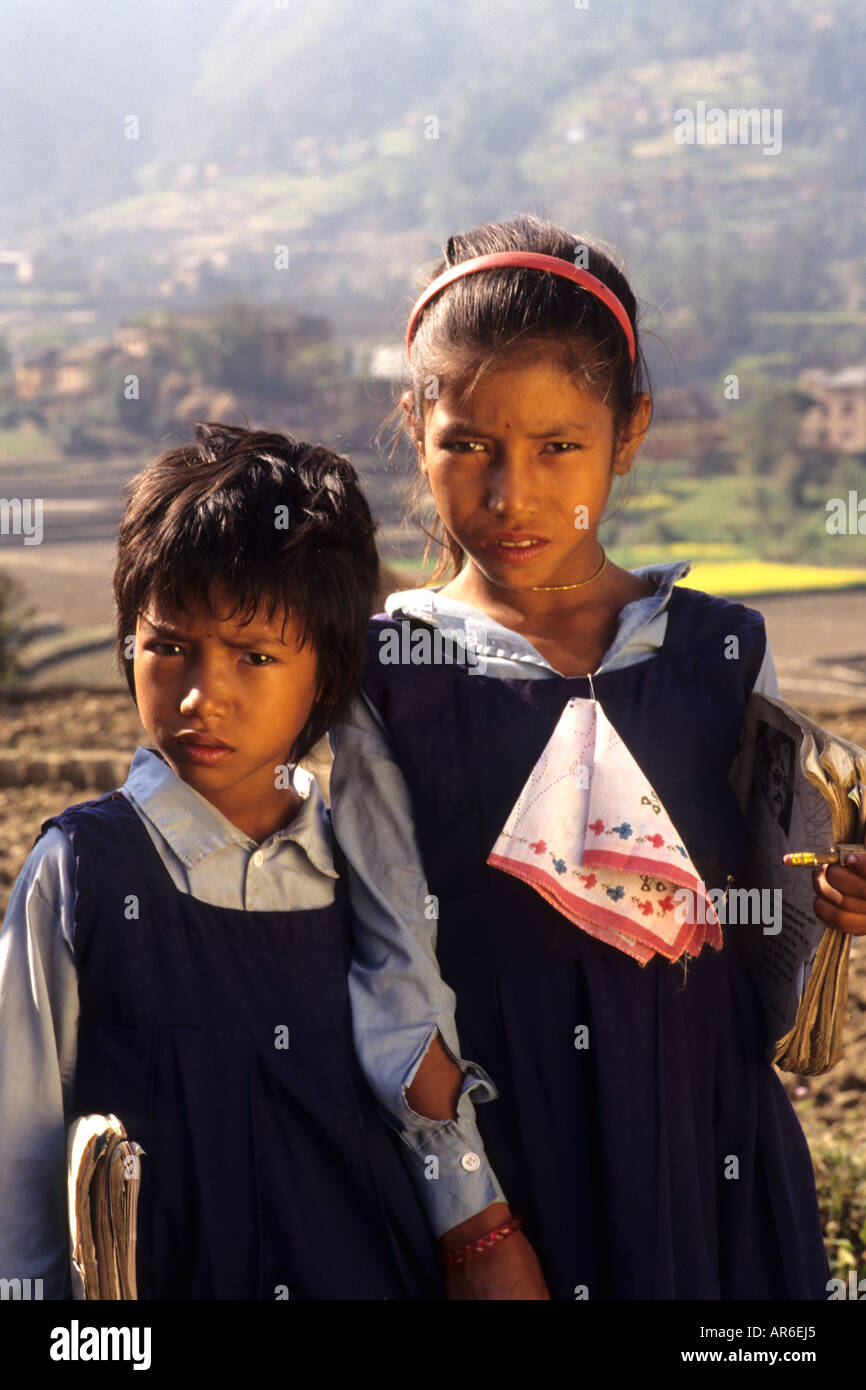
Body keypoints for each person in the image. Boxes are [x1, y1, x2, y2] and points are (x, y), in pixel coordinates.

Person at [328, 215, 866, 1301]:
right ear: (412, 426)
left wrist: (833, 904)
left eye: (556, 447)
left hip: (711, 1138)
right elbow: (391, 969)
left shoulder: (718, 653)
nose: (509, 494)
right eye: (467, 444)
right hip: (504, 1158)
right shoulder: (390, 679)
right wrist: (472, 1219)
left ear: (630, 432)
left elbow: (762, 917)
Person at [0, 422, 442, 1300]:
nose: (203, 695)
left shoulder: (369, 878)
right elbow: (21, 1154)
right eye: (168, 646)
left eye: (255, 655)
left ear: (327, 670)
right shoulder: (81, 873)